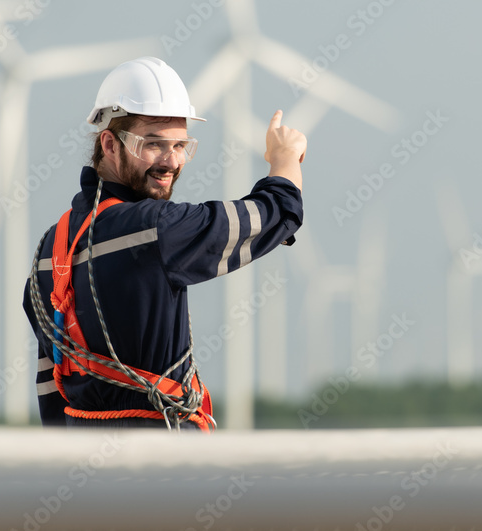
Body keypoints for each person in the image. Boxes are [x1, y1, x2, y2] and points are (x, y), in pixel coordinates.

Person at [22, 56, 305, 430]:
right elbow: (274, 213)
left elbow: (52, 381)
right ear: (109, 144)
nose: (171, 161)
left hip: (84, 471)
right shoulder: (153, 229)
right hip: (162, 466)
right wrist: (284, 161)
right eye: (153, 144)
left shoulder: (49, 251)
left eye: (181, 145)